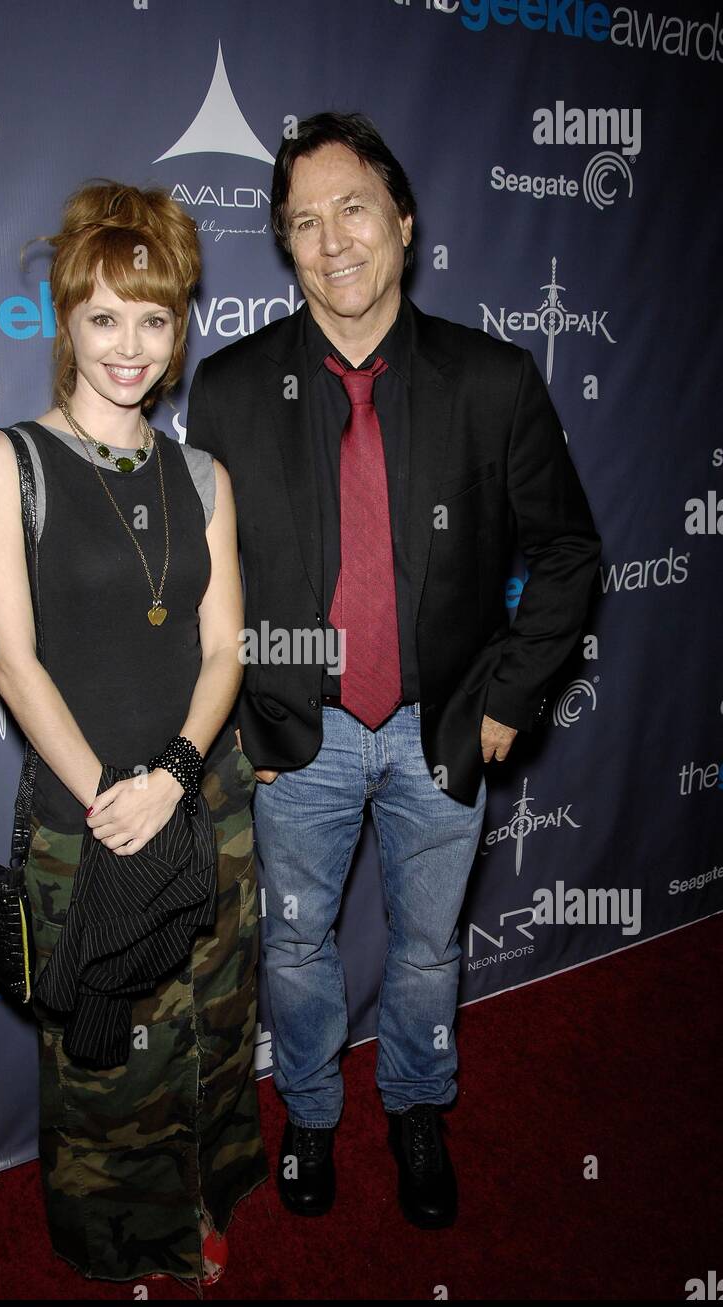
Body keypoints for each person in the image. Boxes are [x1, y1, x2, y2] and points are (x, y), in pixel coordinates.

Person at [186, 113, 602, 1229]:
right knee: (298, 943)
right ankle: (311, 1116)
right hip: (294, 741)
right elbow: (203, 588)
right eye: (302, 224)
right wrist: (244, 722)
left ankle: (417, 1105)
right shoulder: (225, 394)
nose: (330, 243)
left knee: (425, 950)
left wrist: (508, 702)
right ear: (285, 246)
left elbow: (566, 553)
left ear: (402, 223)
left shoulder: (492, 379)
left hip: (444, 729)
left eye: (352, 208)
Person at [0, 180, 268, 1290]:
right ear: (66, 322)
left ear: (179, 326)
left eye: (154, 318)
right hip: (85, 822)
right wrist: (116, 795)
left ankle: (205, 1193)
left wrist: (175, 778)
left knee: (216, 1019)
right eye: (104, 317)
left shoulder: (203, 476)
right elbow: (11, 657)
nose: (129, 347)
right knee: (105, 1052)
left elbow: (225, 648)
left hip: (208, 802)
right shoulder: (7, 463)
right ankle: (121, 1235)